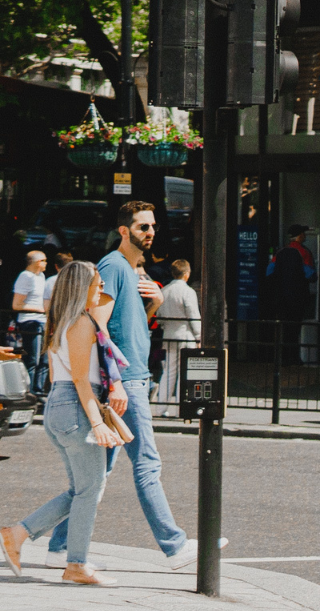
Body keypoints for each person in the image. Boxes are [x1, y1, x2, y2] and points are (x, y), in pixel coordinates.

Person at [56, 200, 219, 569]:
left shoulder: (131, 270)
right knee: (146, 463)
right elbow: (97, 325)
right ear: (125, 231)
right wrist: (114, 383)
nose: (151, 233)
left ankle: (49, 541)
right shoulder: (113, 266)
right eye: (143, 227)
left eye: (153, 226)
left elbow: (125, 328)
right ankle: (175, 546)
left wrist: (154, 304)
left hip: (131, 378)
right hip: (126, 383)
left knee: (98, 475)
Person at [0, 261, 126, 585]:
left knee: (80, 489)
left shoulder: (62, 322)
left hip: (60, 406)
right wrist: (97, 423)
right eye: (97, 285)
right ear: (81, 287)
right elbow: (82, 380)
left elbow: (59, 378)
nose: (101, 290)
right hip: (75, 407)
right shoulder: (82, 323)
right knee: (90, 490)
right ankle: (75, 564)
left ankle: (18, 535)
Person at [155, 260, 201, 417]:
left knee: (168, 372)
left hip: (168, 335)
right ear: (186, 274)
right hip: (186, 335)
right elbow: (193, 316)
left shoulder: (165, 291)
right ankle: (182, 408)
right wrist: (199, 336)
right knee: (185, 373)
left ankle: (161, 407)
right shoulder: (188, 292)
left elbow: (159, 317)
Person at [267, 224, 316, 365]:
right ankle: (294, 358)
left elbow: (269, 271)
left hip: (282, 297)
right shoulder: (303, 252)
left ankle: (284, 357)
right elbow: (311, 275)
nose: (305, 237)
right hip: (298, 297)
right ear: (300, 236)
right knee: (295, 328)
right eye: (303, 234)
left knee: (284, 327)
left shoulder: (280, 252)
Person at [12, 250, 48, 395]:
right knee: (33, 359)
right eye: (44, 260)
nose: (46, 263)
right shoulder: (25, 277)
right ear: (36, 262)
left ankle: (38, 390)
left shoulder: (41, 276)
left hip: (42, 320)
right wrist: (40, 309)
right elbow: (17, 305)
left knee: (44, 358)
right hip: (30, 321)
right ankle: (29, 390)